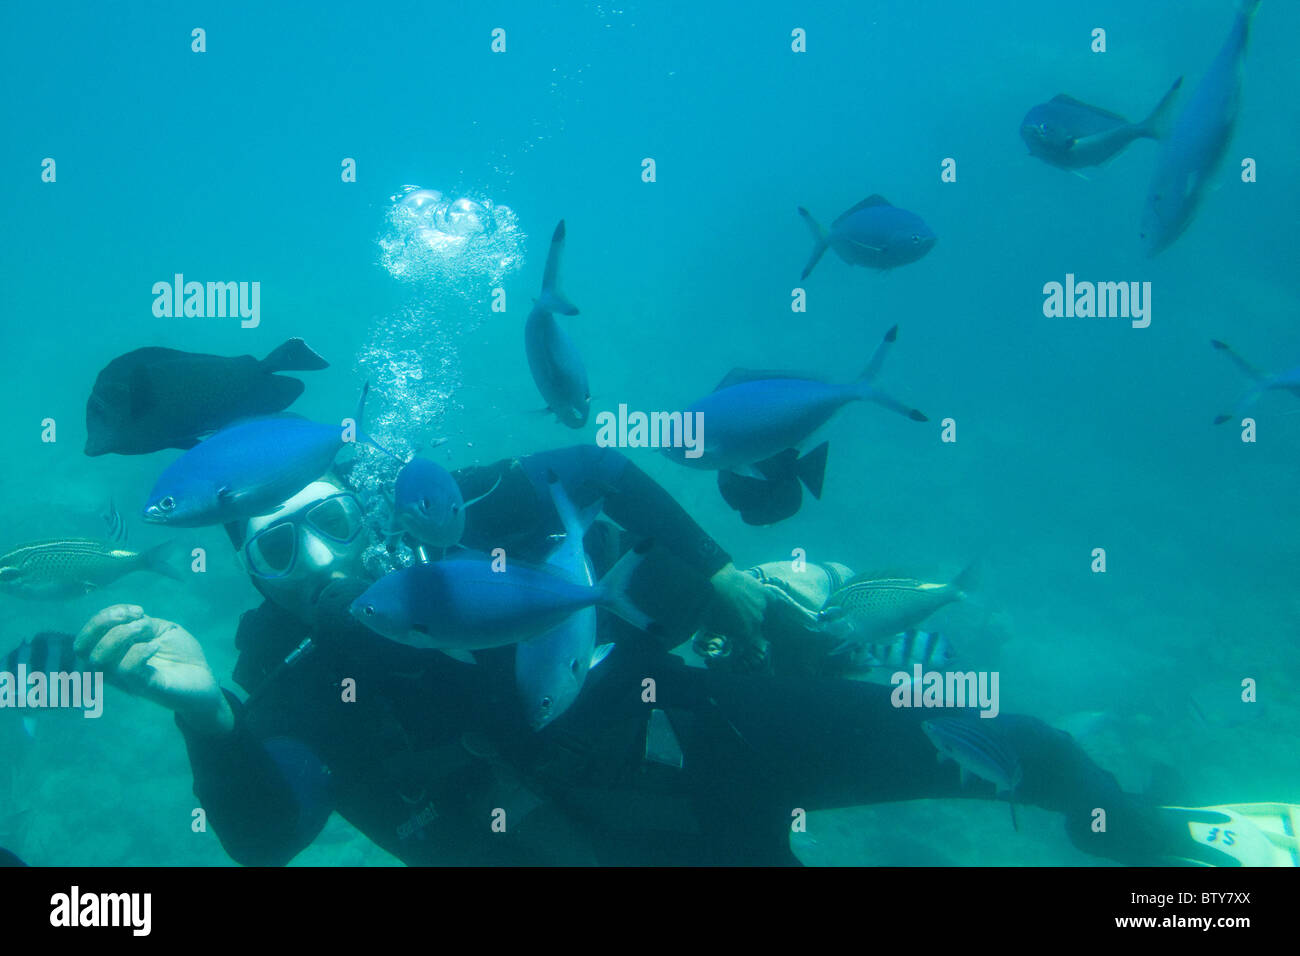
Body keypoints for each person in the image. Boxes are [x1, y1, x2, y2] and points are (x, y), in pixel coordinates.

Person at [76, 445, 1231, 866]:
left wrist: (722, 569)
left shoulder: (468, 517)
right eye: (282, 547)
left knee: (1018, 743)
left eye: (334, 518)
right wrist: (205, 722)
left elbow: (594, 468)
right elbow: (265, 835)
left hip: (721, 744)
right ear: (252, 569)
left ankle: (1162, 861)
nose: (322, 560)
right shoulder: (299, 681)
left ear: (376, 505)